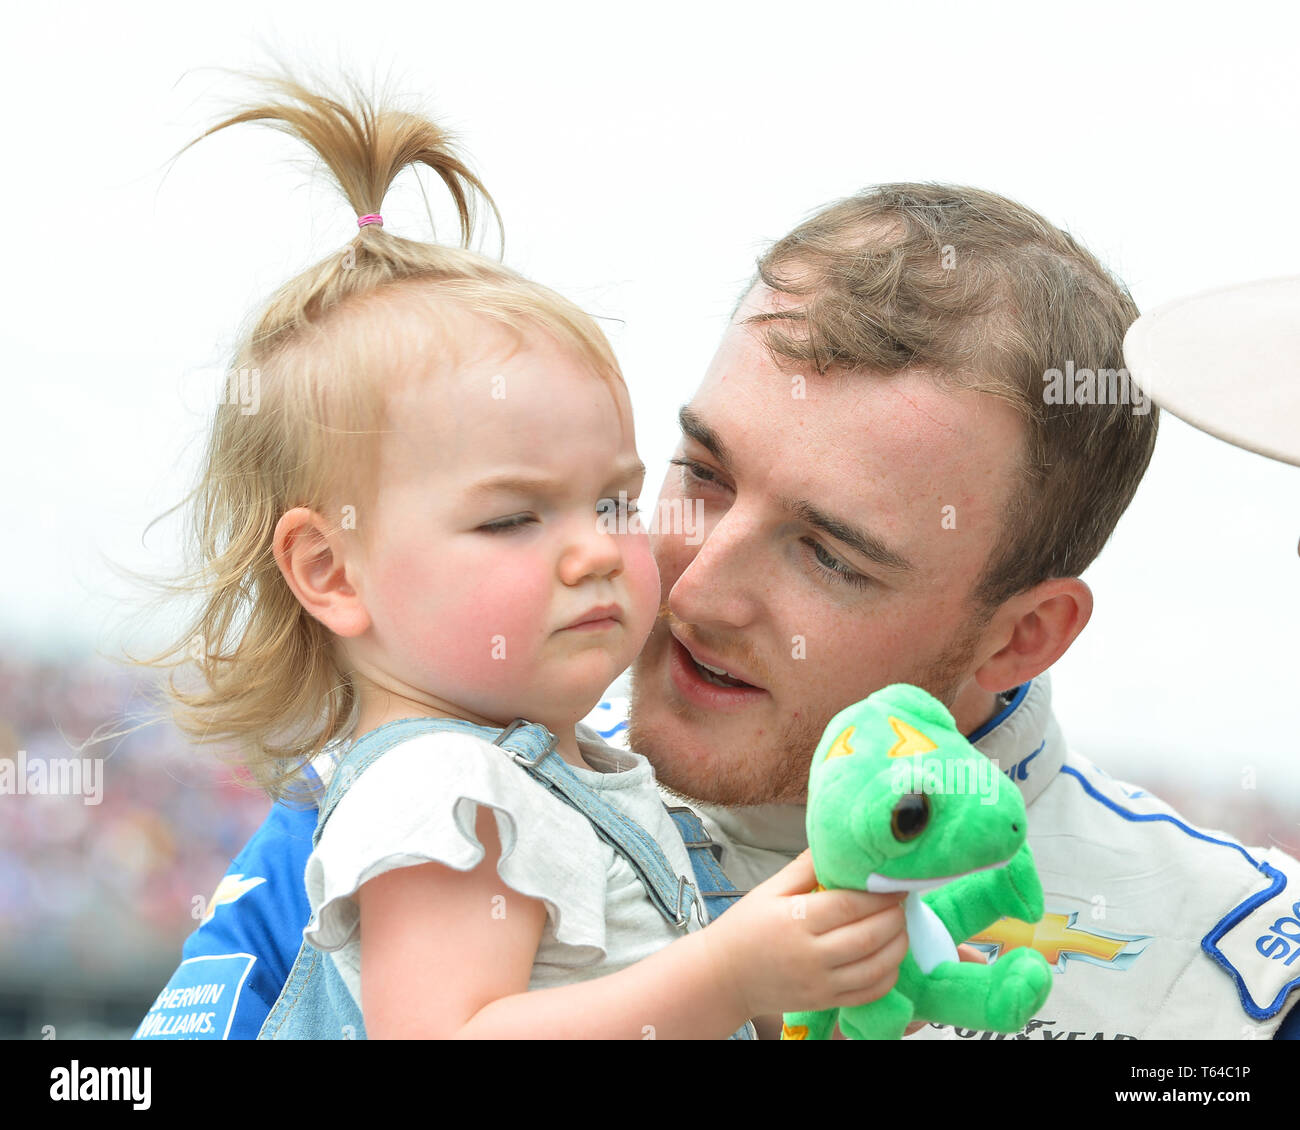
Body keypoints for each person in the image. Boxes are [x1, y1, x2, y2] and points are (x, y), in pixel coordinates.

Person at [137, 150, 1300, 1042]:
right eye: (698, 474)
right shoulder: (435, 805)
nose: (695, 582)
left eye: (830, 554)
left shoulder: (1232, 970)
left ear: (1019, 636)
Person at [126, 68, 915, 1041]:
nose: (593, 548)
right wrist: (728, 971)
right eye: (512, 518)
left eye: (616, 498)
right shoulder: (438, 794)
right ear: (331, 570)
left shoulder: (545, 775)